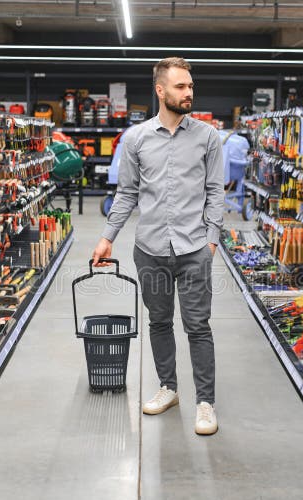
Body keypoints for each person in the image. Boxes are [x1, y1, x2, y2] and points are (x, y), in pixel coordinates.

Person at [91, 57, 224, 436]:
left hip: (194, 248)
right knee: (159, 321)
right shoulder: (136, 138)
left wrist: (211, 241)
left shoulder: (207, 137)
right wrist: (107, 237)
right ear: (160, 90)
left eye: (191, 86)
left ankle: (205, 402)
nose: (189, 93)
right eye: (181, 86)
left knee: (198, 326)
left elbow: (216, 192)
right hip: (150, 248)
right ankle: (169, 387)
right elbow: (127, 193)